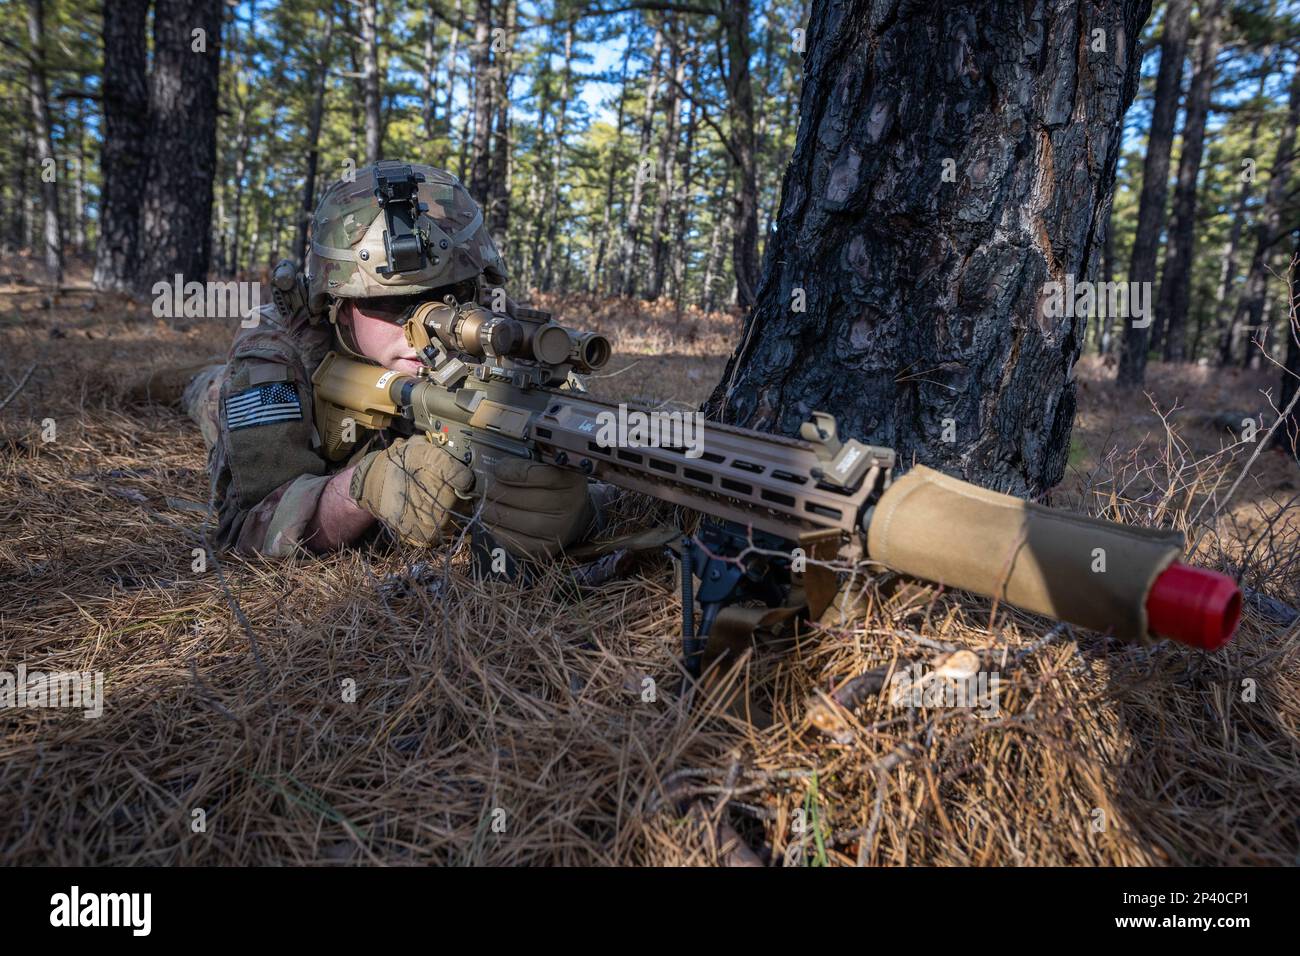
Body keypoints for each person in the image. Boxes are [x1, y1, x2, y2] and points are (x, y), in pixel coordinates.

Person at [184, 161, 597, 560]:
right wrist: (361, 491)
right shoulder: (275, 352)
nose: (426, 328)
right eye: (388, 304)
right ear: (338, 304)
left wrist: (579, 508)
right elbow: (245, 529)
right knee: (204, 390)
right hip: (247, 395)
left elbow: (578, 443)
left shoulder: (494, 326)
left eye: (449, 296)